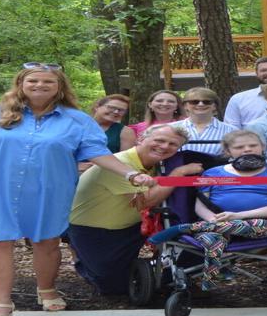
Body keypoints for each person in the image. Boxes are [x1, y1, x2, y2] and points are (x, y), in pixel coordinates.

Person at [0, 64, 156, 316]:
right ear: (21, 83)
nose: (40, 86)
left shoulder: (77, 120)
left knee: (46, 242)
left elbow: (97, 153)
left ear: (60, 87)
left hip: (49, 190)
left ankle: (46, 289)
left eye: (48, 81)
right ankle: (1, 306)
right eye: (33, 80)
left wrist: (130, 174)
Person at [149, 130, 267, 289]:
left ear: (263, 147)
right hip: (215, 225)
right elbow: (201, 205)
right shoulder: (212, 173)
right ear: (228, 151)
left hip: (261, 225)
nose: (247, 149)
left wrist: (237, 216)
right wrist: (212, 219)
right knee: (213, 239)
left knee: (263, 226)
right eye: (239, 147)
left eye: (252, 145)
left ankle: (185, 229)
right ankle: (209, 283)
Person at [67, 124, 200, 295]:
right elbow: (145, 201)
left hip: (133, 226)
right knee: (113, 289)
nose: (165, 146)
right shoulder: (120, 164)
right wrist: (177, 174)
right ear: (141, 139)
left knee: (194, 243)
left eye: (173, 144)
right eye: (159, 140)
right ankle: (83, 260)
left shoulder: (158, 164)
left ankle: (167, 277)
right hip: (94, 229)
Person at [173, 87, 238, 157]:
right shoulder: (170, 128)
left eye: (207, 102)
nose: (201, 104)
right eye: (194, 102)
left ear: (215, 106)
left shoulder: (232, 131)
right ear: (185, 106)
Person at [79, 95, 137, 173]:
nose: (116, 112)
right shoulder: (77, 125)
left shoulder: (125, 132)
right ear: (97, 107)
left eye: (121, 110)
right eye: (111, 107)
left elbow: (125, 160)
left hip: (104, 174)